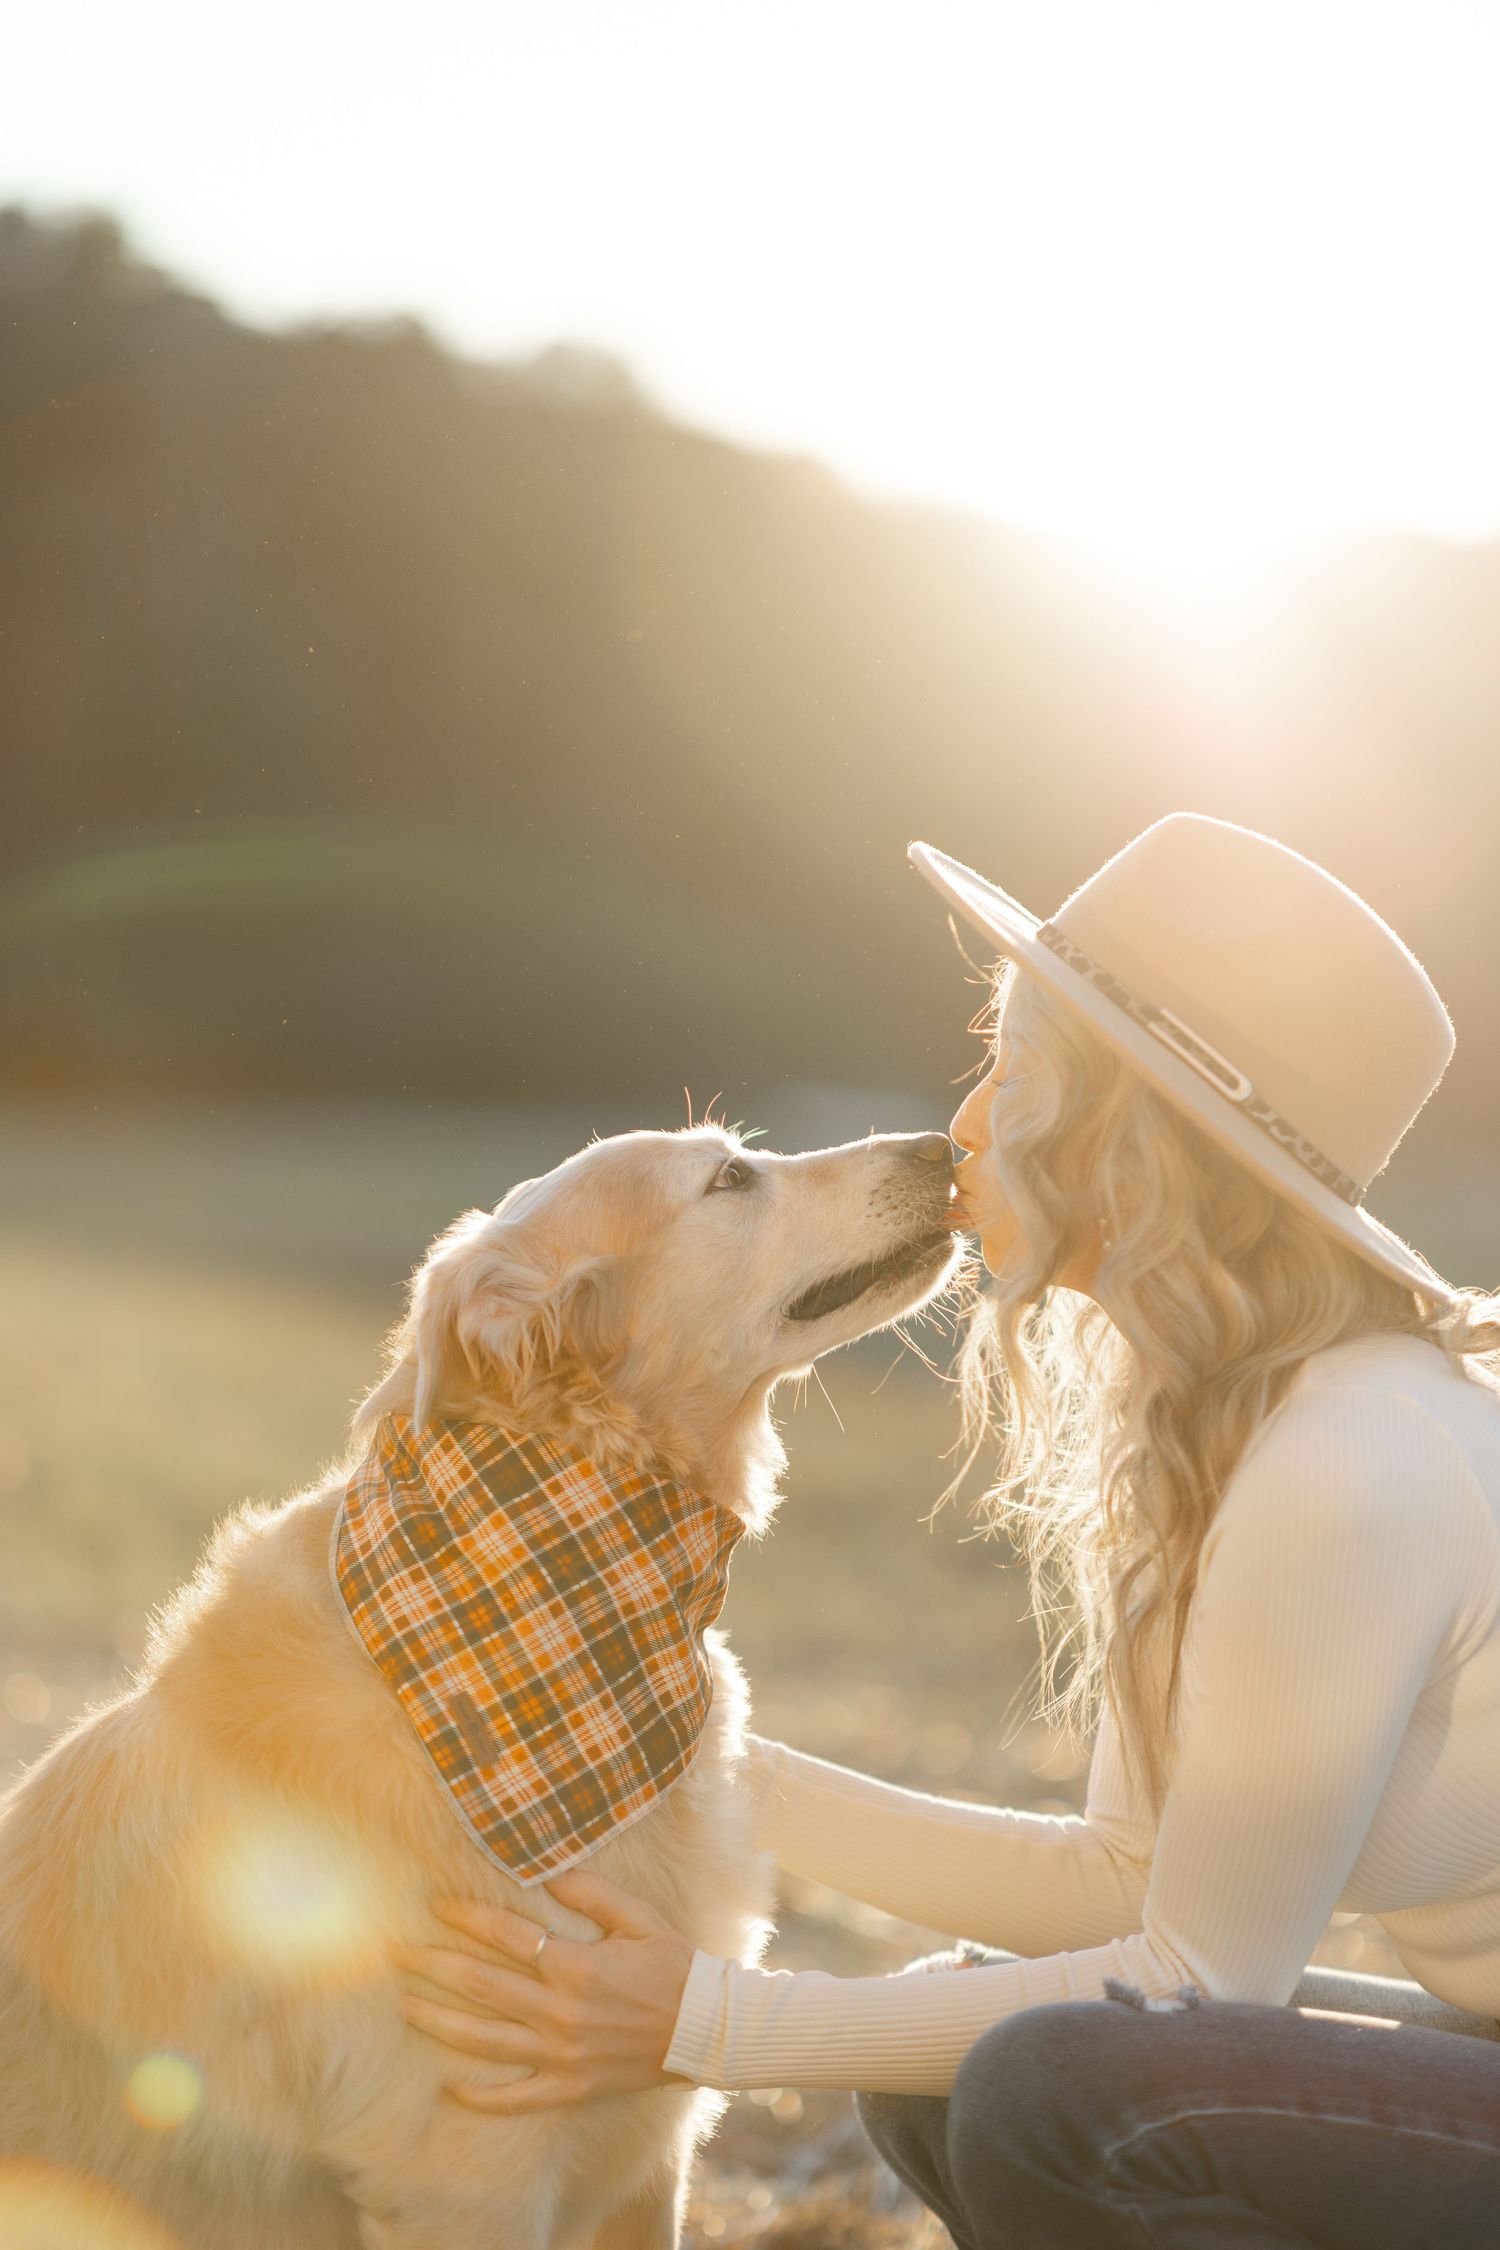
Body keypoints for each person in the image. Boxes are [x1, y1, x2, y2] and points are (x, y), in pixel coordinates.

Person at [397, 814, 1500, 2246]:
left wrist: (712, 2020)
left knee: (1053, 2093)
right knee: (956, 2047)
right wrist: (692, 1752)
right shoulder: (1230, 1430)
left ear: (1142, 1140)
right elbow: (1121, 1880)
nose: (965, 1122)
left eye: (1015, 1073)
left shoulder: (1352, 1460)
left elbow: (1195, 1981)